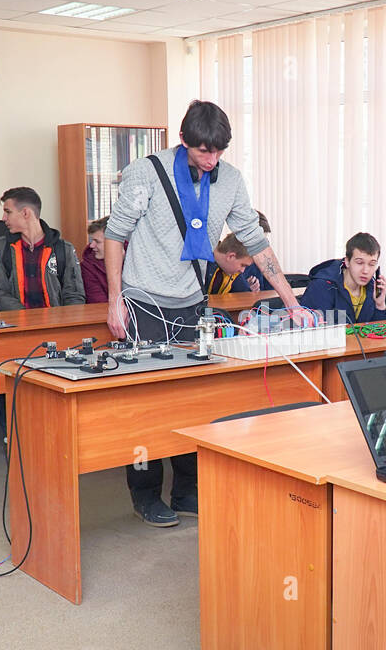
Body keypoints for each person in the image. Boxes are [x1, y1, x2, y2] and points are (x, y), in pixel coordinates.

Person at [104, 99, 313, 528]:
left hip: (192, 301)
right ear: (183, 141)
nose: (211, 160)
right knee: (149, 405)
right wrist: (113, 300)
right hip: (143, 300)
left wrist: (291, 300)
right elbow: (115, 236)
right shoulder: (147, 172)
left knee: (191, 402)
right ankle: (145, 495)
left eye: (218, 151)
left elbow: (254, 242)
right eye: (203, 151)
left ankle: (186, 491)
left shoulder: (230, 180)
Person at [0, 187, 85, 309]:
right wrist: (25, 318)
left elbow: (75, 295)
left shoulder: (64, 249)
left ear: (25, 213)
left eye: (8, 212)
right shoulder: (0, 247)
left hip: (56, 324)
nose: (3, 218)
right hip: (19, 324)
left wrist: (63, 323)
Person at [299, 231, 386, 324]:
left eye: (372, 264)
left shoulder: (373, 289)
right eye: (359, 263)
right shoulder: (323, 287)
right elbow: (312, 330)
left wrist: (380, 305)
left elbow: (381, 333)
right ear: (347, 262)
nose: (366, 270)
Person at [82, 217, 109, 304]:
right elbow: (98, 303)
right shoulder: (87, 266)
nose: (91, 245)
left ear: (113, 243)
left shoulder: (134, 259)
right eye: (92, 240)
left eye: (97, 241)